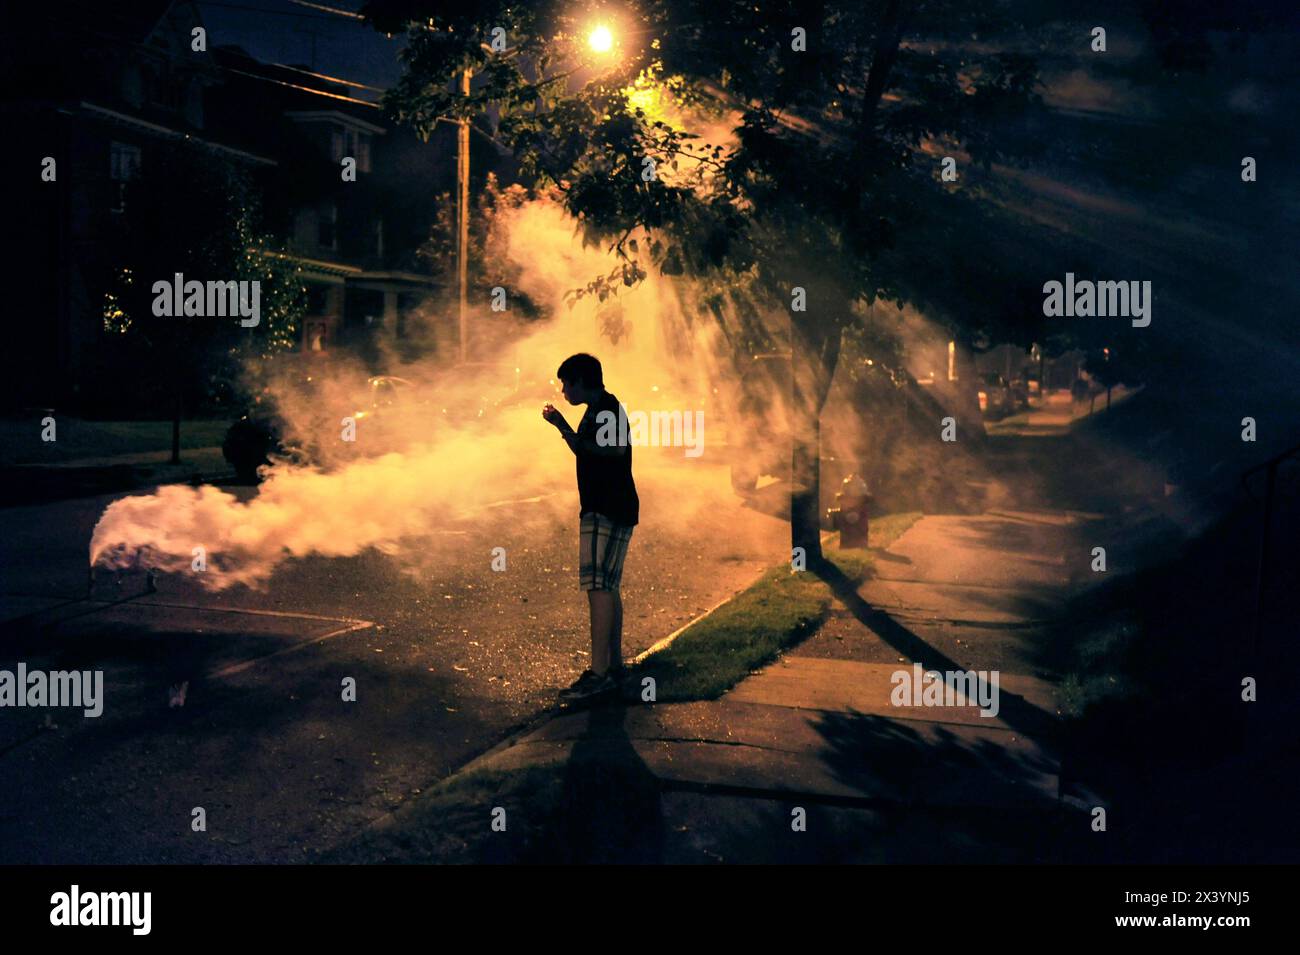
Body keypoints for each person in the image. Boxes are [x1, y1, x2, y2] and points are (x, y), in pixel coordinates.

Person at [542, 353, 639, 703]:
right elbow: (587, 452)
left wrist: (564, 428)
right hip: (609, 506)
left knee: (598, 586)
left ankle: (599, 673)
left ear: (583, 381)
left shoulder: (609, 409)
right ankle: (612, 667)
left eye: (567, 383)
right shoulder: (598, 409)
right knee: (607, 586)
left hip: (606, 507)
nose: (564, 389)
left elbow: (609, 452)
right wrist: (563, 425)